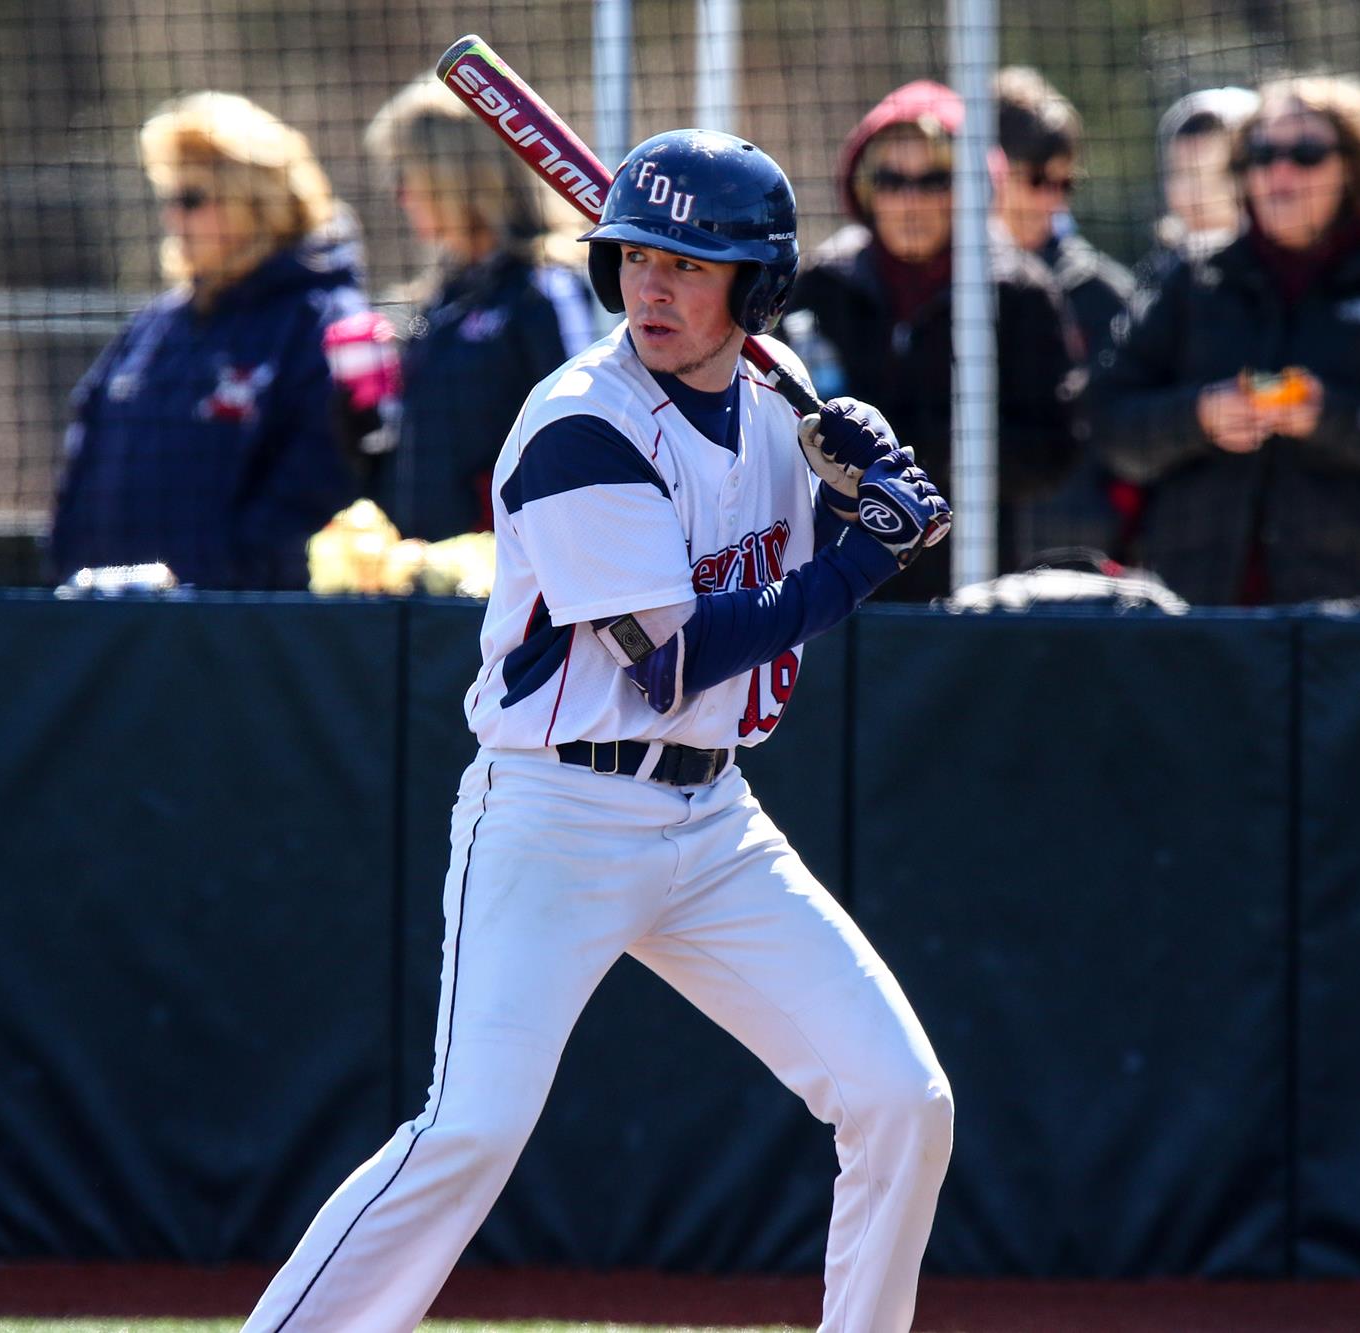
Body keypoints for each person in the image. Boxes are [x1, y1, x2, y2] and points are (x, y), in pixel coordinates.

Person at [244, 130, 955, 1333]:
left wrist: (867, 473)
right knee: (467, 1128)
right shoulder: (579, 420)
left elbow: (872, 518)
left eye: (687, 263)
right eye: (632, 256)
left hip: (716, 822)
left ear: (758, 287)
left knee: (902, 1098)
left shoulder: (780, 402)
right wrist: (859, 554)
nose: (650, 285)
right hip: (557, 815)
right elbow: (672, 660)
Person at [1090, 73, 1360, 606]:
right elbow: (1108, 421)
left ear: (1354, 168)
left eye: (1306, 152)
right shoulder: (1191, 282)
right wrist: (1199, 416)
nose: (1279, 171)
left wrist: (1333, 418)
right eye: (1262, 153)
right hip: (1199, 617)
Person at [50, 92, 365, 590]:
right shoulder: (156, 325)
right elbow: (82, 462)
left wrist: (225, 579)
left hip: (238, 636)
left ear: (257, 201)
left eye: (192, 199)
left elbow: (320, 482)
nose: (173, 217)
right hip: (111, 632)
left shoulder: (318, 323)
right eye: (169, 198)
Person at [780, 79, 1080, 601]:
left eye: (935, 180)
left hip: (975, 578)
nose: (911, 200)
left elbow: (1057, 445)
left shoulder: (1020, 293)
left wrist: (918, 460)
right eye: (893, 180)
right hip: (836, 576)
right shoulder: (820, 286)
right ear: (868, 188)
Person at [359, 75, 596, 541]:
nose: (398, 195)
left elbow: (578, 439)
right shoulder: (438, 297)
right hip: (427, 578)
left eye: (406, 174)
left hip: (509, 582)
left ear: (453, 175)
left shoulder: (544, 287)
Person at [992, 67, 1144, 564]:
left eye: (1066, 183)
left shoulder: (1107, 294)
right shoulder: (944, 295)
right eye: (1036, 179)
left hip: (1081, 560)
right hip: (966, 555)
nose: (1051, 199)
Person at [1135, 86, 1262, 289]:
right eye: (1178, 173)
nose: (1187, 194)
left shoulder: (1281, 275)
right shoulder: (1160, 274)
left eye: (1209, 176)